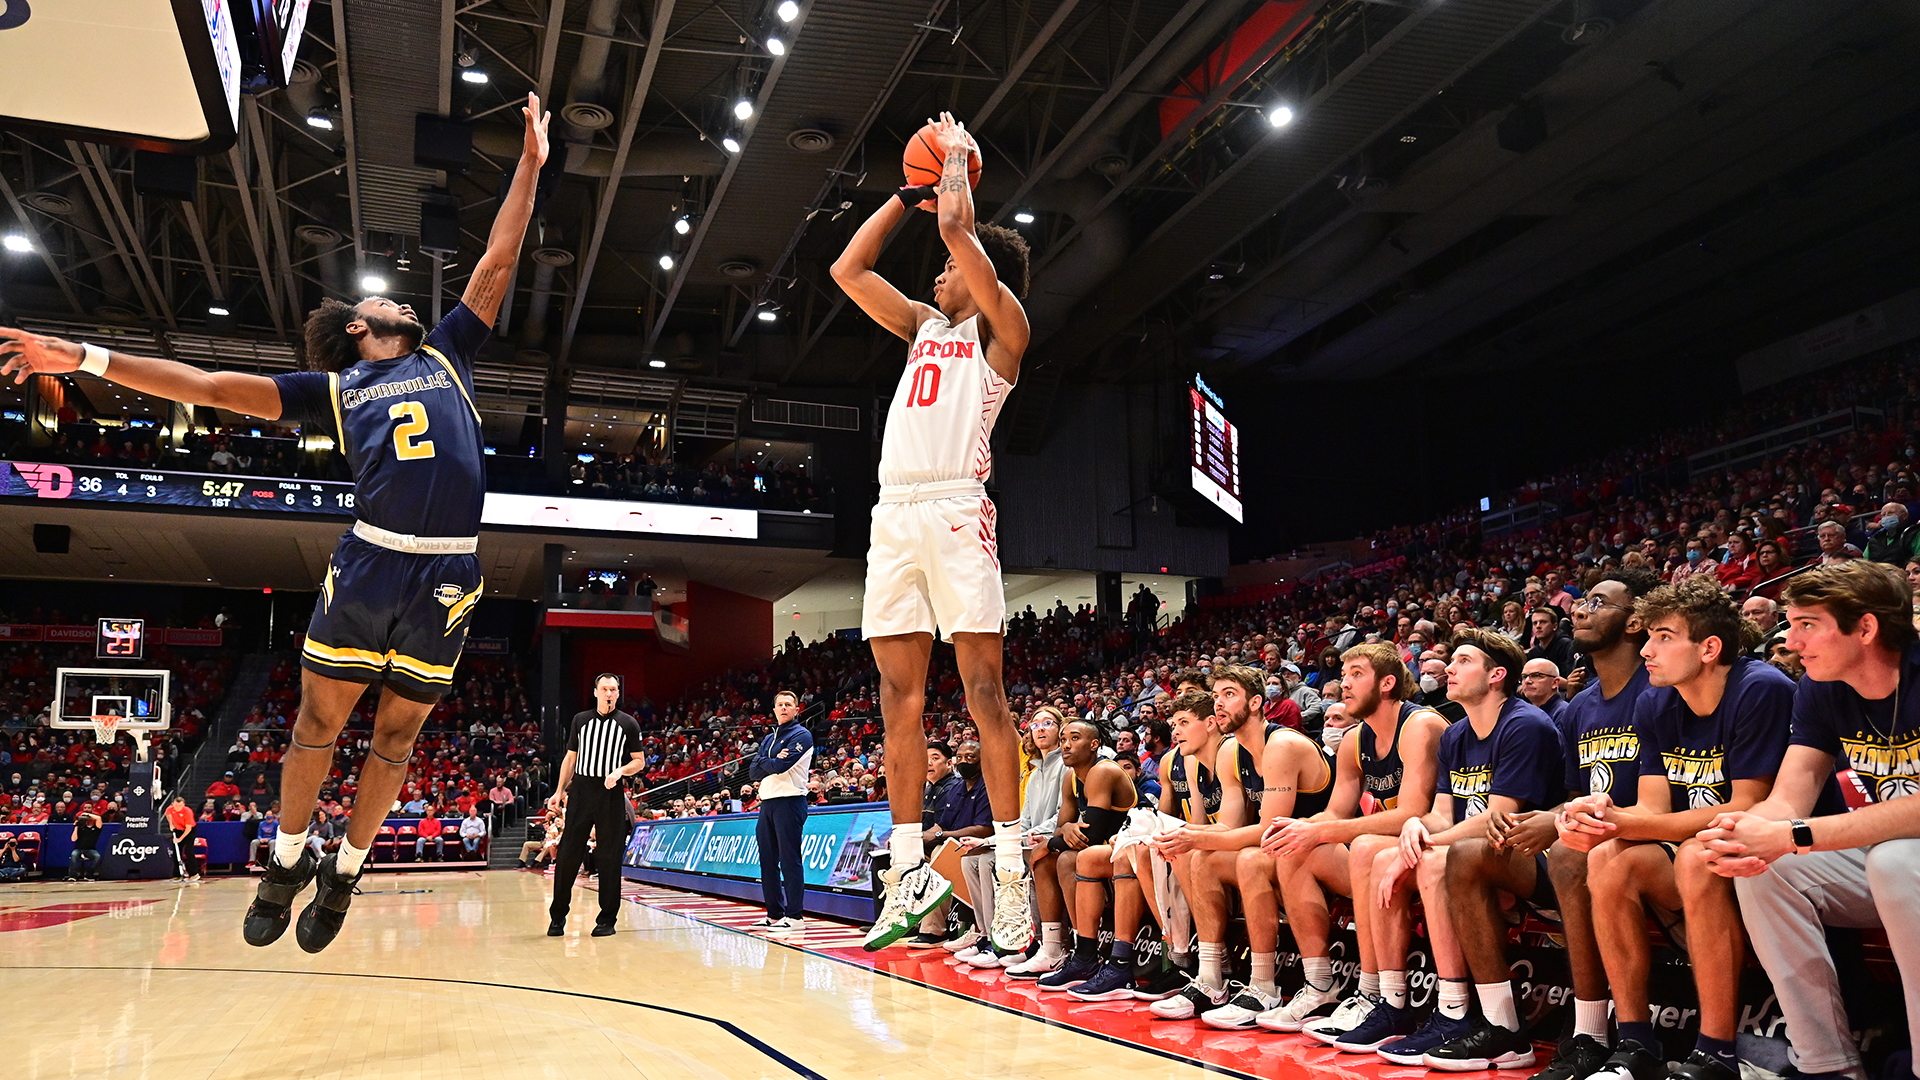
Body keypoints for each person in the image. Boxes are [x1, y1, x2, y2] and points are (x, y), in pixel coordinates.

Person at [0, 95, 551, 952]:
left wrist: (528, 166)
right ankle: (288, 859)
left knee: (398, 737)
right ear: (358, 327)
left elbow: (500, 256)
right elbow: (212, 387)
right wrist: (89, 359)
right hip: (372, 562)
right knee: (317, 725)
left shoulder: (448, 350)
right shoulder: (333, 388)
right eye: (384, 301)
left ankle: (346, 872)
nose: (405, 302)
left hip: (449, 570)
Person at [831, 111, 1034, 954]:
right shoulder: (921, 327)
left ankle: (1015, 869)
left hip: (955, 507)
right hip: (894, 513)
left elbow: (958, 226)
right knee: (896, 701)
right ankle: (908, 866)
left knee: (984, 694)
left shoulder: (1004, 331)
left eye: (951, 270)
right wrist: (904, 191)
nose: (940, 275)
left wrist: (954, 162)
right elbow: (847, 267)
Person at [1552, 575, 1797, 1080]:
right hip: (1701, 843)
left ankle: (1716, 1052)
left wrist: (1625, 824)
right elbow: (1650, 806)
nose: (1646, 650)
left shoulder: (1760, 688)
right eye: (1648, 637)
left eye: (1663, 637)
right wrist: (1596, 817)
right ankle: (1636, 1043)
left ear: (1709, 647)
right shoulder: (1655, 702)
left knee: (1694, 856)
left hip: (1769, 845)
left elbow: (1749, 803)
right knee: (1604, 857)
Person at [1700, 561, 1920, 1080]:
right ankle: (1826, 1064)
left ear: (1864, 628)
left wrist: (1792, 834)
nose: (1791, 640)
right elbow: (1788, 799)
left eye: (1807, 625)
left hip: (1903, 863)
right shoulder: (1820, 686)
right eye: (1790, 624)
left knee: (1892, 859)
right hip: (1894, 868)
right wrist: (1744, 830)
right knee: (1765, 866)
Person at [1355, 629, 1561, 1067]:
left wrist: (1426, 841)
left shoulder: (1524, 724)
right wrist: (1415, 826)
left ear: (1496, 675)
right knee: (1384, 855)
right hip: (1474, 856)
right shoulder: (1457, 734)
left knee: (1431, 862)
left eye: (1463, 661)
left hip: (1532, 858)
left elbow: (1499, 817)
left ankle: (1455, 1010)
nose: (1449, 667)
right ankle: (1393, 1003)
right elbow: (1443, 815)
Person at [1255, 643, 1448, 1036]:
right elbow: (1335, 811)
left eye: (1357, 674)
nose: (1344, 683)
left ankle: (1375, 992)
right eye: (1343, 675)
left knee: (1363, 846)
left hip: (1431, 852)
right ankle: (1319, 985)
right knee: (1297, 848)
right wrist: (1303, 828)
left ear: (1388, 682)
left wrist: (1323, 829)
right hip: (1379, 860)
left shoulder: (1421, 725)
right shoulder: (1355, 739)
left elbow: (1410, 814)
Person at [1148, 665, 1335, 1025]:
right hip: (1284, 849)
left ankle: (1264, 984)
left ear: (1256, 703)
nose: (1218, 703)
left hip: (1323, 847)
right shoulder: (1232, 751)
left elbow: (1266, 828)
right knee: (1201, 858)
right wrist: (1187, 839)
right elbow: (1230, 826)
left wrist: (1195, 836)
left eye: (1228, 694)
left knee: (1246, 858)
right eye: (1216, 695)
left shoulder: (1281, 743)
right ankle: (1211, 978)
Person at [547, 674, 643, 937]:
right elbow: (570, 758)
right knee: (567, 855)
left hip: (610, 793)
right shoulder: (581, 720)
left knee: (609, 857)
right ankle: (557, 918)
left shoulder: (628, 723)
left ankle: (606, 920)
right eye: (605, 689)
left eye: (614, 689)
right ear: (596, 692)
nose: (610, 693)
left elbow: (640, 761)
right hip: (581, 791)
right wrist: (558, 792)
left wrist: (620, 771)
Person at [749, 690, 813, 931]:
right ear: (774, 709)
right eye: (780, 704)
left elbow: (781, 765)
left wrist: (768, 760)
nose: (784, 708)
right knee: (767, 861)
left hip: (790, 801)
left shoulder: (802, 735)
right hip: (767, 803)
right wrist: (771, 759)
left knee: (790, 860)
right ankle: (774, 914)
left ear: (797, 709)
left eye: (789, 704)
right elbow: (753, 772)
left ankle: (795, 916)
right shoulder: (769, 738)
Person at [165, 795, 201, 882]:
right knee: (176, 852)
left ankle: (194, 874)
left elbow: (188, 828)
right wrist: (171, 824)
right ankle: (177, 875)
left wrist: (180, 839)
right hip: (178, 829)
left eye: (180, 806)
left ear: (183, 805)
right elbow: (168, 815)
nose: (177, 808)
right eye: (176, 805)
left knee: (189, 851)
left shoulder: (187, 812)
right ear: (173, 804)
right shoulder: (170, 809)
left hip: (189, 831)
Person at [69, 810, 102, 880]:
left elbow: (98, 818)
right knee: (74, 855)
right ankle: (73, 875)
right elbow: (73, 839)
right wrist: (76, 827)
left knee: (97, 856)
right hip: (79, 849)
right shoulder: (80, 828)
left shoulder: (96, 828)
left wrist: (87, 814)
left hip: (90, 849)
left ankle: (89, 874)